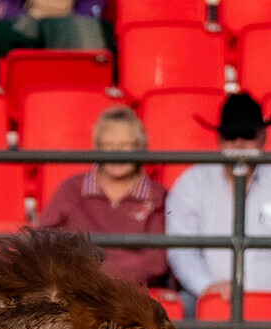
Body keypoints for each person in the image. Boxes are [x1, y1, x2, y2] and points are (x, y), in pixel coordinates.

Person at [39, 105, 169, 288]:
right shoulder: (71, 189)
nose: (116, 154)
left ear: (140, 148)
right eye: (108, 146)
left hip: (135, 297)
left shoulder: (158, 196)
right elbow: (43, 242)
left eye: (125, 146)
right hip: (75, 290)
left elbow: (156, 262)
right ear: (97, 148)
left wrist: (100, 275)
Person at [166, 92, 271, 305]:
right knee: (180, 308)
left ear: (263, 136)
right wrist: (207, 286)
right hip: (208, 299)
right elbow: (181, 249)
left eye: (247, 134)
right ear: (219, 138)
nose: (239, 144)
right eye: (231, 136)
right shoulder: (193, 182)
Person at [0, 0, 107, 57]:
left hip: (70, 24)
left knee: (94, 32)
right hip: (26, 25)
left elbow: (90, 10)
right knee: (3, 34)